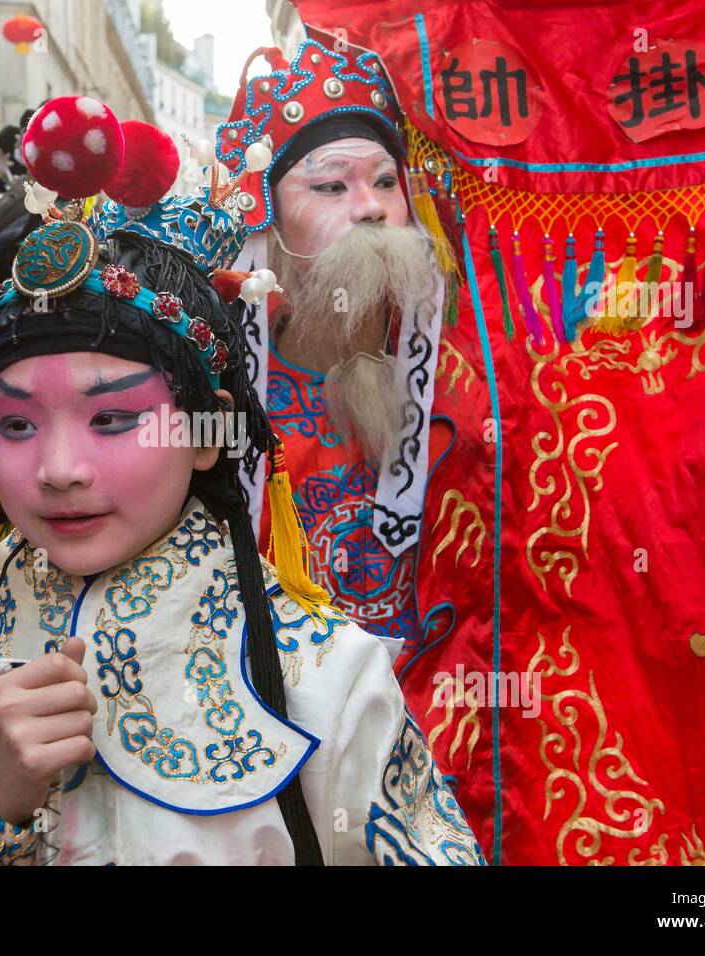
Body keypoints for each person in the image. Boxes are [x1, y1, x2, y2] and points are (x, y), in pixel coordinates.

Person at [0, 99, 482, 866]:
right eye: (16, 425)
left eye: (113, 420)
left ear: (208, 434)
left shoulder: (324, 678)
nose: (58, 469)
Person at [215, 30, 449, 652]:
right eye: (330, 186)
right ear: (267, 218)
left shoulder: (463, 369)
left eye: (385, 182)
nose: (370, 208)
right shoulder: (218, 393)